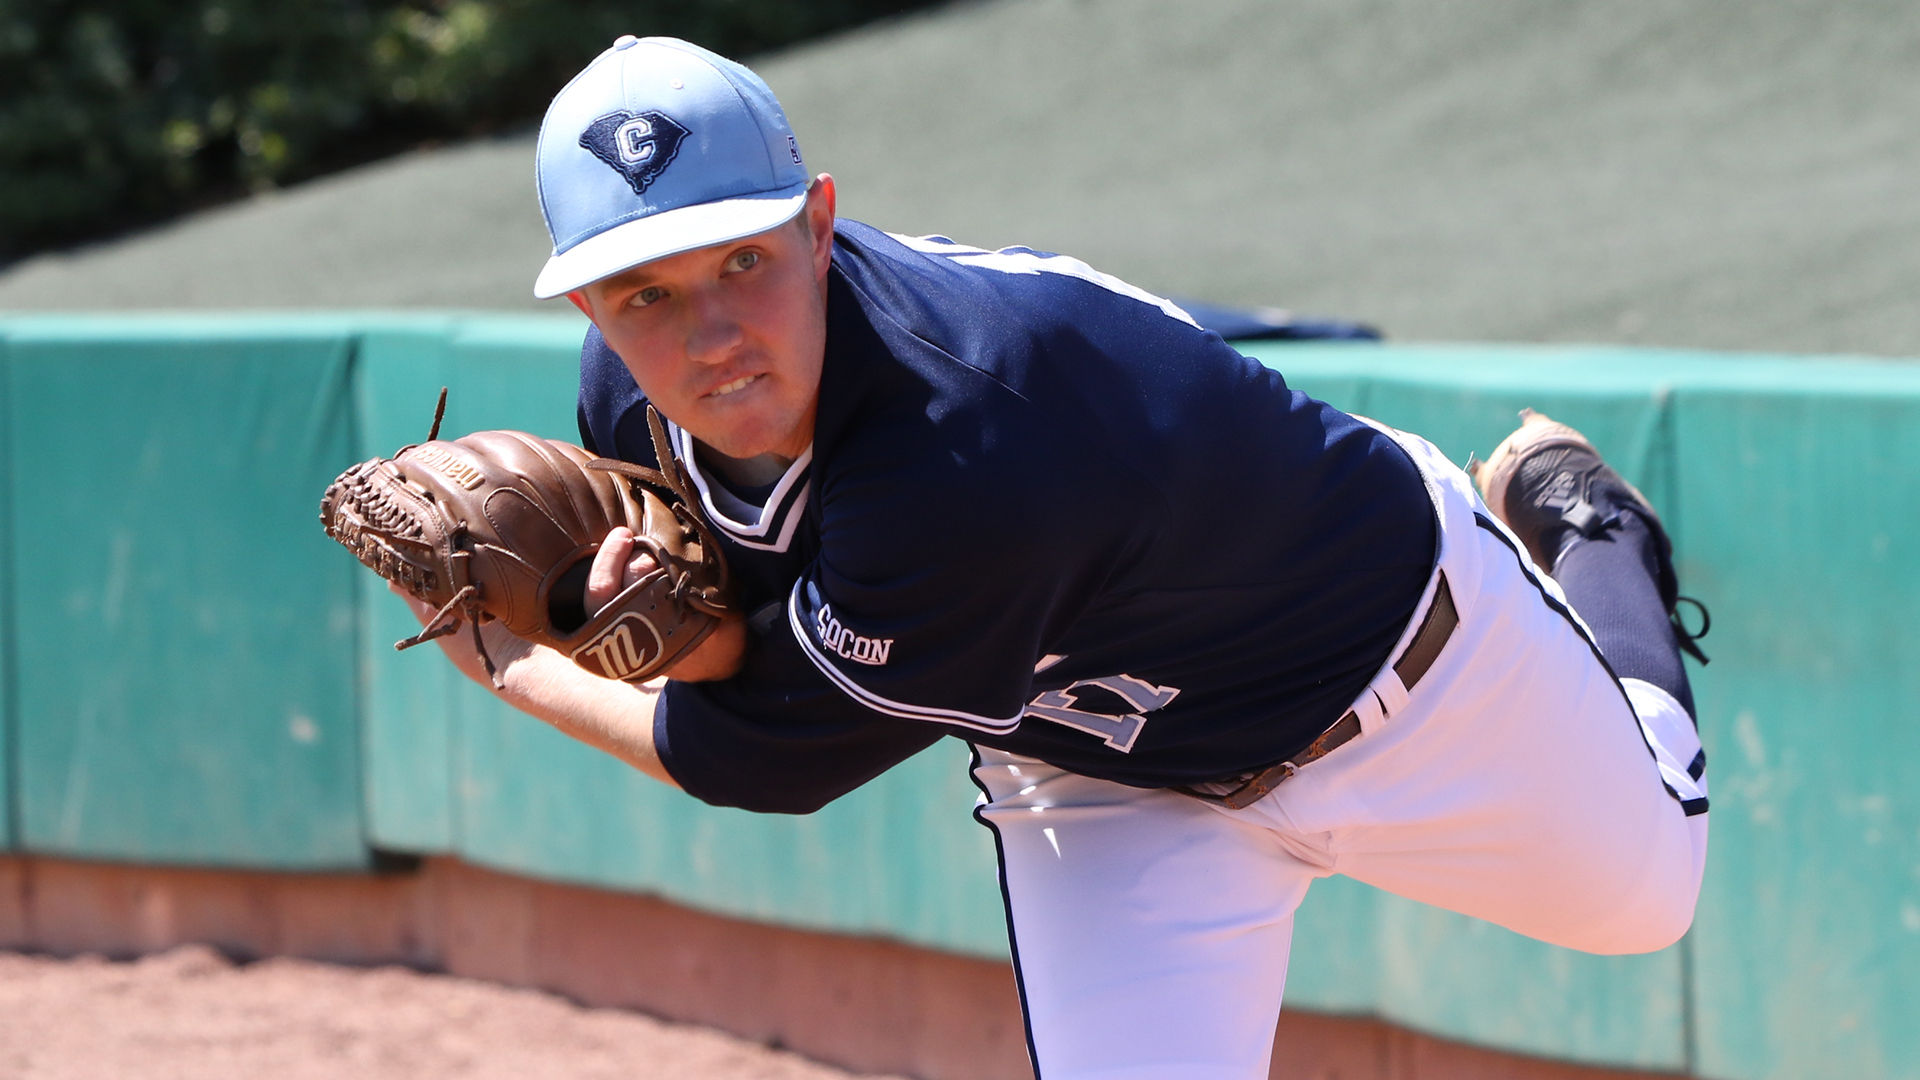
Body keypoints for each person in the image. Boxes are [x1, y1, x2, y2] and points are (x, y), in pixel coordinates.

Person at [406, 36, 1711, 1080]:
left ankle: (1583, 525)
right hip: (1105, 772)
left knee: (1644, 901)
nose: (710, 335)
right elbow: (743, 636)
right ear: (586, 304)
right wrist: (645, 616)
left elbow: (754, 757)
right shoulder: (625, 406)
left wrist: (510, 657)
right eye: (646, 292)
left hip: (1408, 671)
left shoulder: (964, 437)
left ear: (819, 225)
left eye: (743, 259)